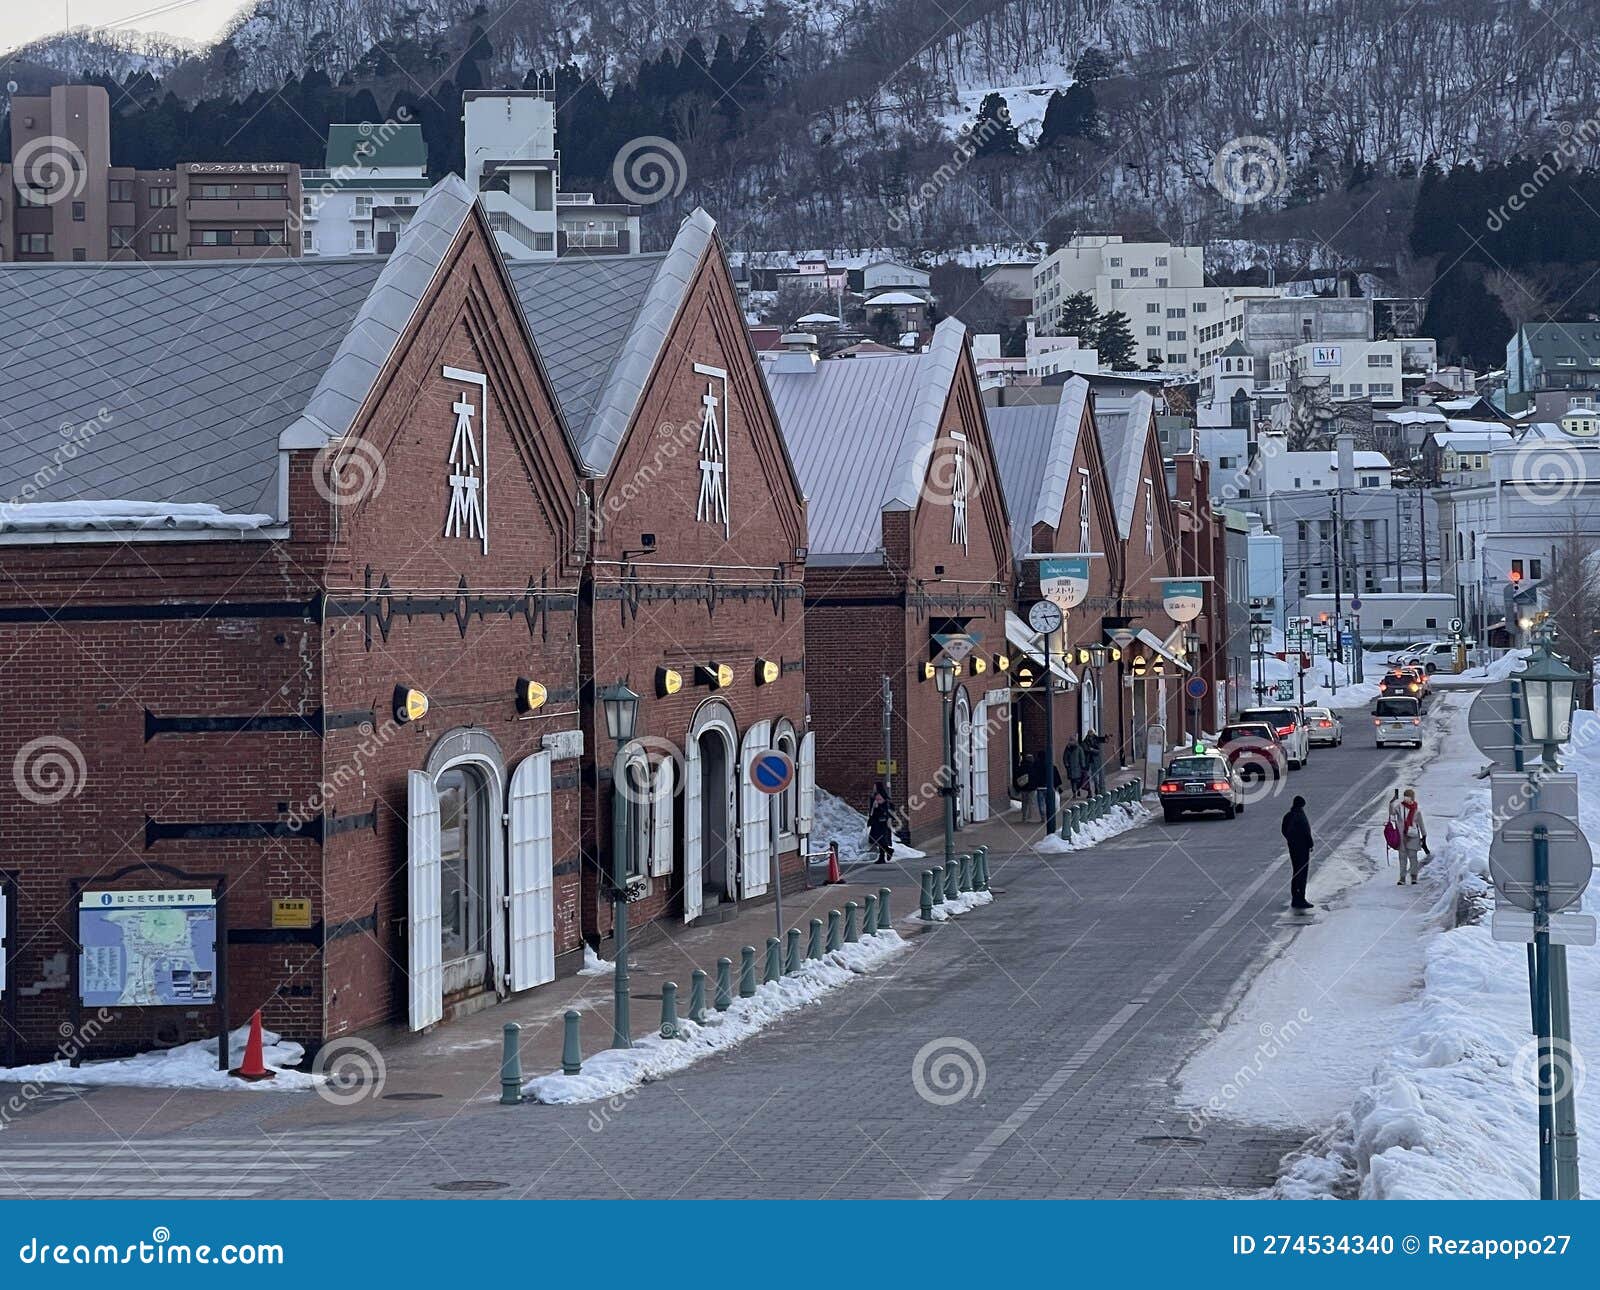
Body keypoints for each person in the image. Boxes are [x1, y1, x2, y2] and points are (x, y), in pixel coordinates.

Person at [1280, 795, 1314, 911]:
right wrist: (1310, 844)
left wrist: (1290, 841)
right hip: (1302, 849)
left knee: (1296, 871)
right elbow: (1306, 832)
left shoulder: (1289, 815)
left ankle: (1296, 897)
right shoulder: (1299, 816)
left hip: (1294, 848)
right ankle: (1300, 898)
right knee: (1301, 873)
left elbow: (1284, 830)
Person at [1390, 787, 1428, 885]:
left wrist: (1424, 835)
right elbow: (1392, 814)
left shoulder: (1416, 810)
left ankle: (1414, 877)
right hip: (1401, 836)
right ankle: (1402, 878)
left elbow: (1421, 823)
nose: (1406, 798)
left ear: (1412, 797)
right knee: (1402, 858)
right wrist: (1392, 802)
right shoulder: (1399, 807)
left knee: (1413, 857)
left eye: (1408, 797)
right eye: (1405, 796)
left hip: (1413, 836)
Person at [867, 784, 894, 864]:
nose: (873, 788)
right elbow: (872, 811)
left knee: (881, 840)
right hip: (876, 822)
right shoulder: (873, 797)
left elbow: (887, 809)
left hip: (882, 823)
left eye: (875, 787)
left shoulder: (883, 798)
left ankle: (882, 856)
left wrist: (878, 807)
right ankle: (887, 851)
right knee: (877, 840)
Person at [1082, 730, 1107, 794]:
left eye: (1092, 734)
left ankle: (1097, 789)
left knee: (1095, 776)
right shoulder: (1085, 741)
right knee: (1088, 777)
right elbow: (1085, 749)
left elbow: (1098, 751)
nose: (1091, 735)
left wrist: (1092, 750)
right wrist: (1090, 750)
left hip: (1095, 762)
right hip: (1088, 762)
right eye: (1090, 734)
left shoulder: (1096, 740)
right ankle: (1089, 791)